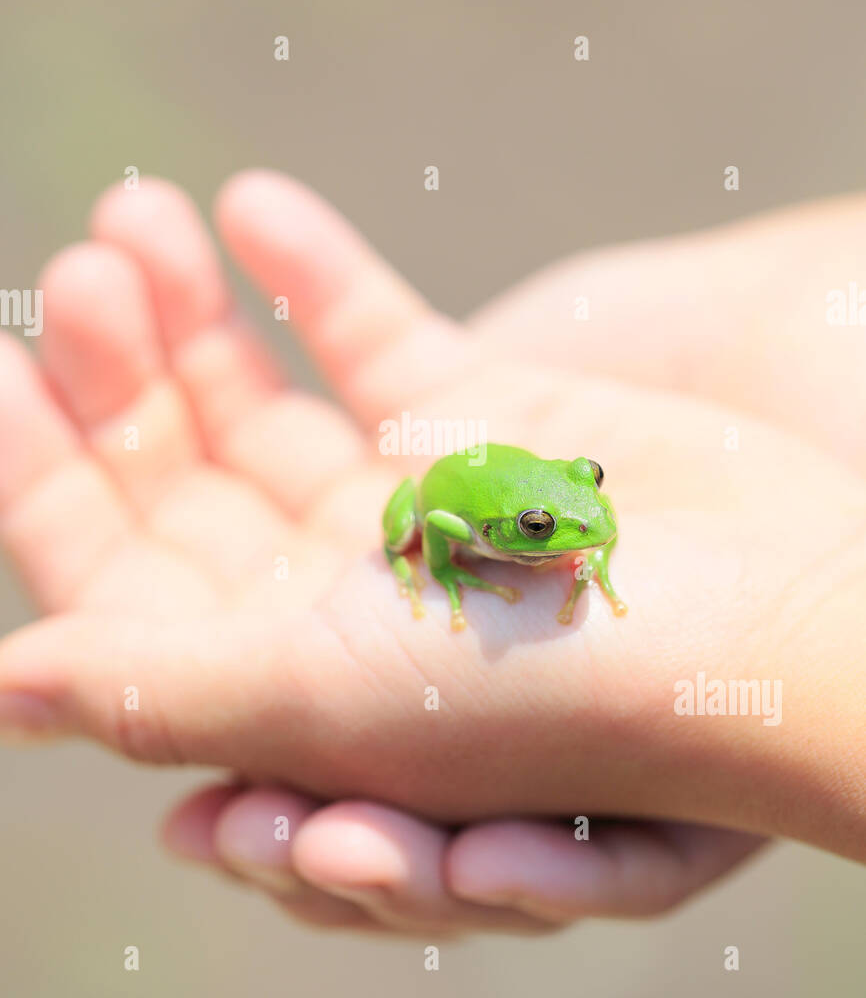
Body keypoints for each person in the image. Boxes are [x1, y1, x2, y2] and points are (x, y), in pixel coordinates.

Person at [1, 172, 864, 936]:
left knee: (569, 520)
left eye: (591, 484)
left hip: (513, 479)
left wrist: (750, 674)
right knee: (409, 523)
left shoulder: (575, 512)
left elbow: (580, 513)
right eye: (543, 533)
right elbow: (443, 525)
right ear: (514, 532)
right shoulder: (478, 529)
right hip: (445, 498)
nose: (588, 521)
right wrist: (437, 571)